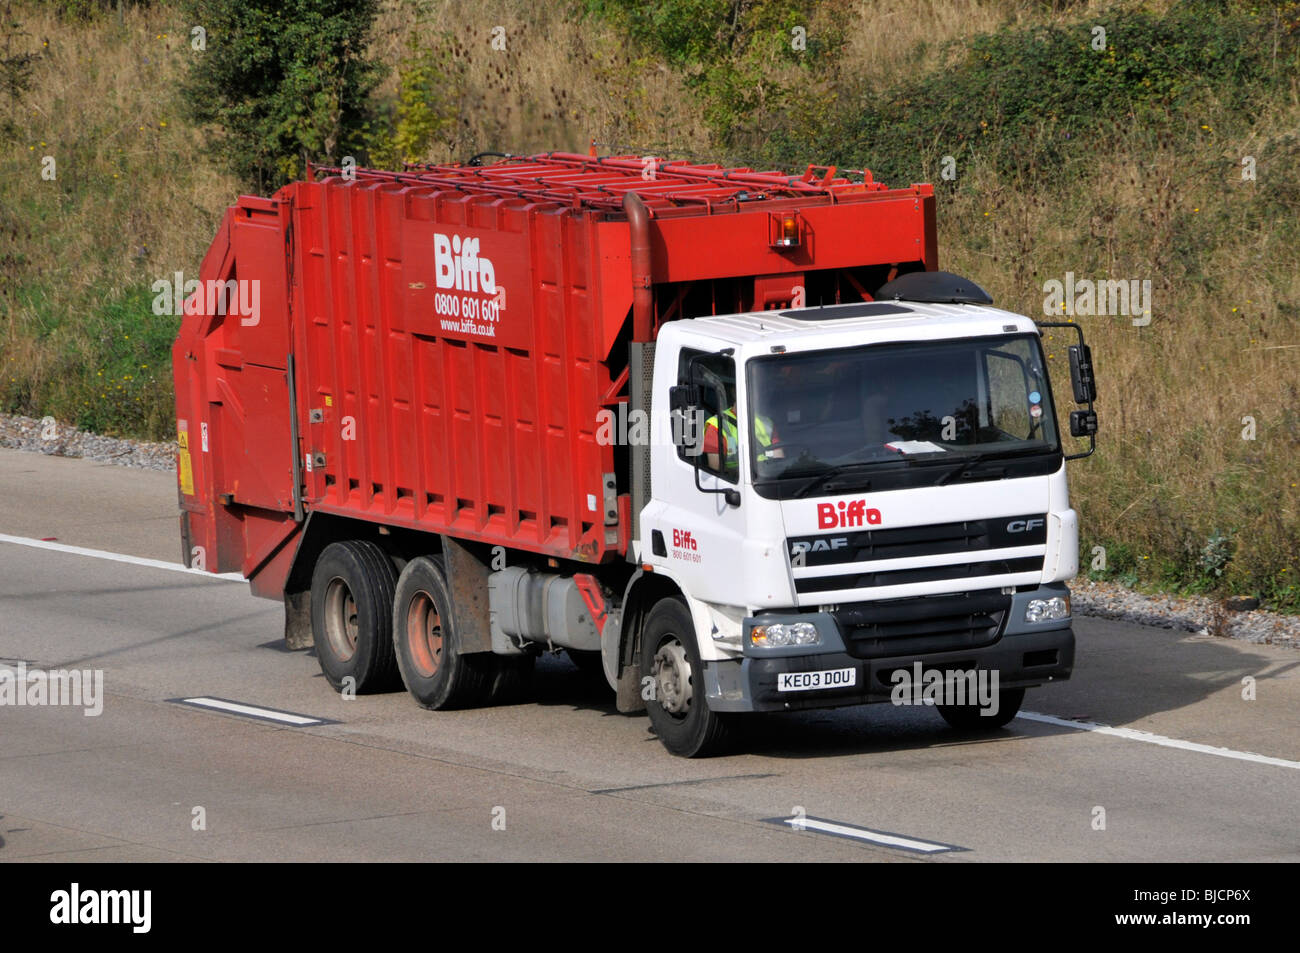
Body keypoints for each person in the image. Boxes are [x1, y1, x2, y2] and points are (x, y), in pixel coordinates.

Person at [702, 405, 782, 474]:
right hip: (734, 483)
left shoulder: (766, 422)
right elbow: (716, 469)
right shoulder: (717, 424)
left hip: (767, 479)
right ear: (734, 392)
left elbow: (778, 457)